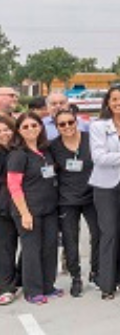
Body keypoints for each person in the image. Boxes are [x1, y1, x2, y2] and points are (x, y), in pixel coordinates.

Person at [89, 84, 120, 300]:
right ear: (108, 102)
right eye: (114, 99)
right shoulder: (98, 126)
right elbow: (98, 157)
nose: (119, 103)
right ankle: (106, 284)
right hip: (106, 186)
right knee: (109, 233)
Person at [6, 113, 60, 304]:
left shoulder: (45, 151)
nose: (30, 129)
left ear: (41, 127)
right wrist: (25, 213)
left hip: (49, 209)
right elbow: (14, 186)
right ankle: (33, 290)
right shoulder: (18, 155)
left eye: (34, 125)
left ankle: (48, 286)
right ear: (18, 131)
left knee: (49, 248)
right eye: (25, 127)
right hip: (29, 211)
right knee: (32, 250)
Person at [50, 109, 98, 297]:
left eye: (70, 122)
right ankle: (76, 277)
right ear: (57, 127)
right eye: (62, 124)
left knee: (98, 235)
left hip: (92, 196)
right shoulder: (53, 147)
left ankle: (95, 272)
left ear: (76, 121)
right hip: (67, 199)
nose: (67, 126)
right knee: (70, 239)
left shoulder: (90, 139)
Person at [0, 115, 19, 306]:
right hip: (4, 206)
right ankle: (5, 287)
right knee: (6, 247)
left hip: (20, 203)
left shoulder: (15, 150)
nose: (4, 134)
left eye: (6, 129)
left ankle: (17, 279)